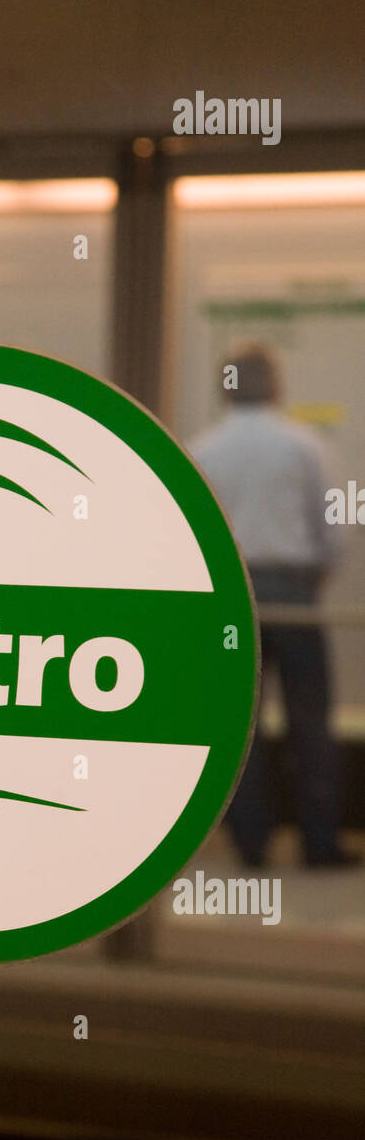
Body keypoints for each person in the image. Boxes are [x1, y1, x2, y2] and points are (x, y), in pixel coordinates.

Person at [191, 342, 358, 869]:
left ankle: (250, 841)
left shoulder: (203, 450)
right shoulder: (305, 446)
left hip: (230, 602)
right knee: (312, 719)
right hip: (295, 592)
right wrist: (317, 576)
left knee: (242, 726)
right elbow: (339, 526)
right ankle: (318, 840)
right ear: (276, 384)